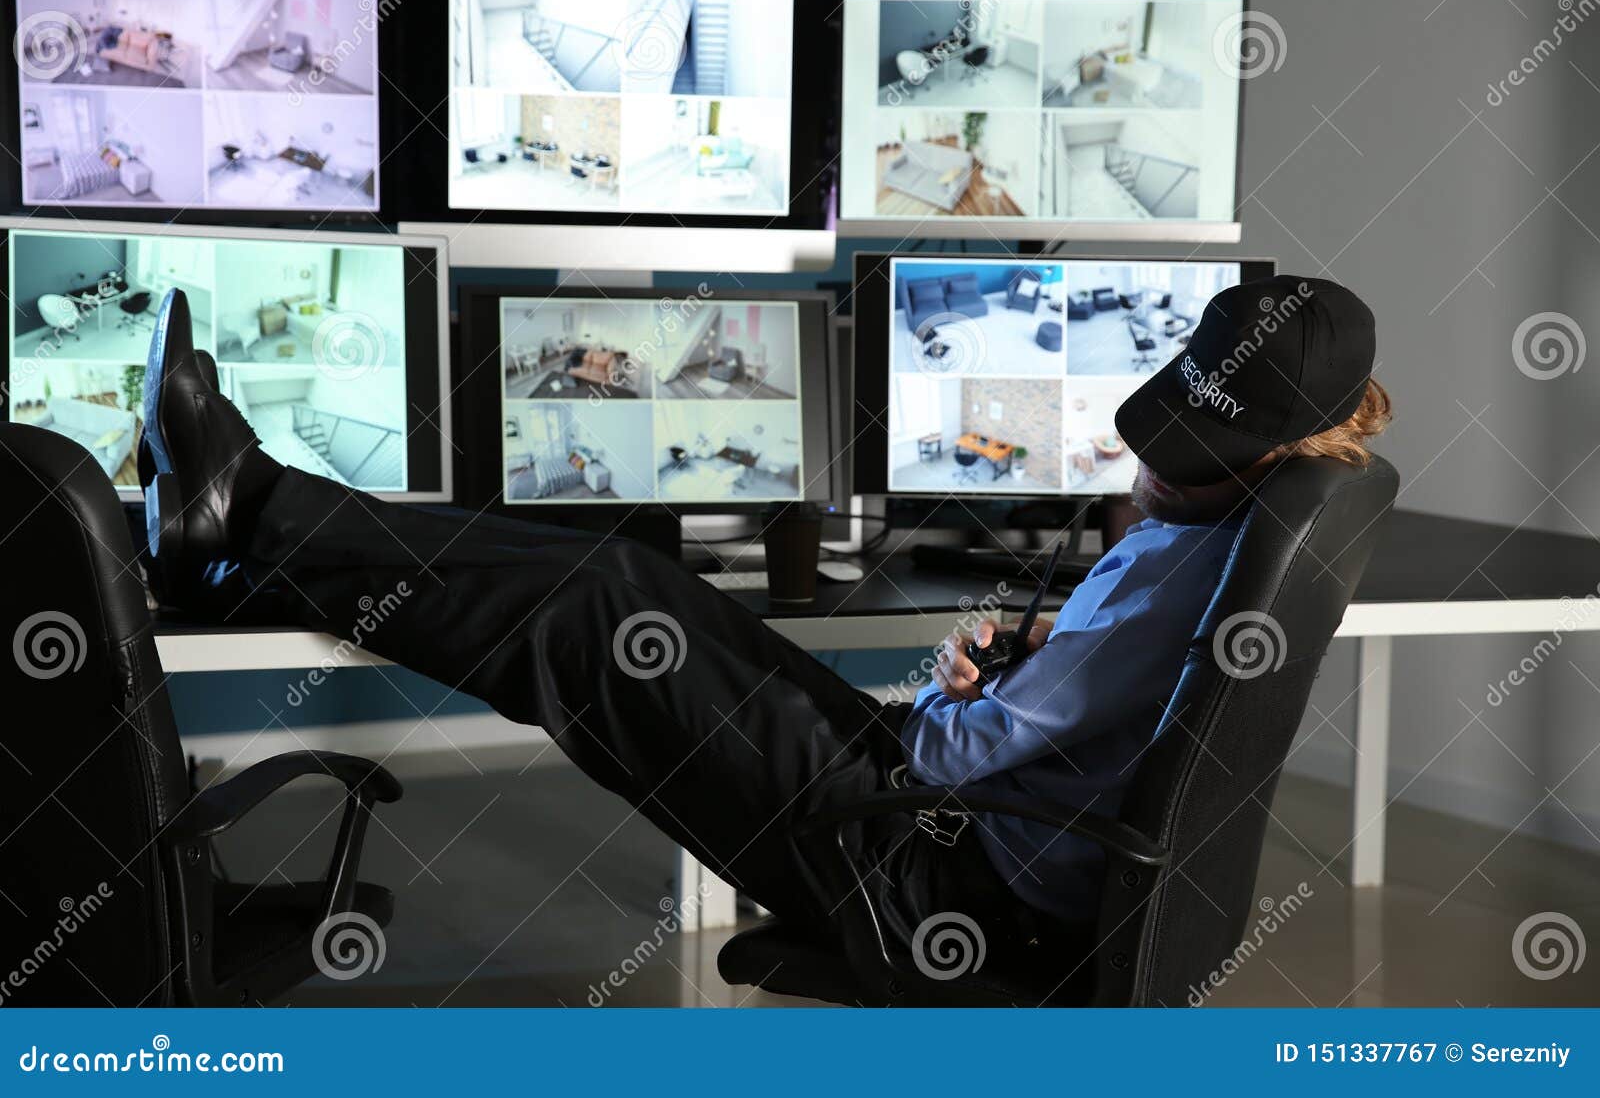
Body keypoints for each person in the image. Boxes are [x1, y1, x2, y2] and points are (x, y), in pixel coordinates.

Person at [136, 275, 1389, 967]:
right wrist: (1029, 671)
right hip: (954, 825)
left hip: (918, 857)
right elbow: (1094, 709)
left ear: (1283, 447)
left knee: (587, 616)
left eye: (1194, 452)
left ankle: (246, 515)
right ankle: (238, 538)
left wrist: (962, 693)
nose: (1154, 466)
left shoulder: (1173, 564)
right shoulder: (1247, 528)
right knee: (632, 589)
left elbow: (951, 751)